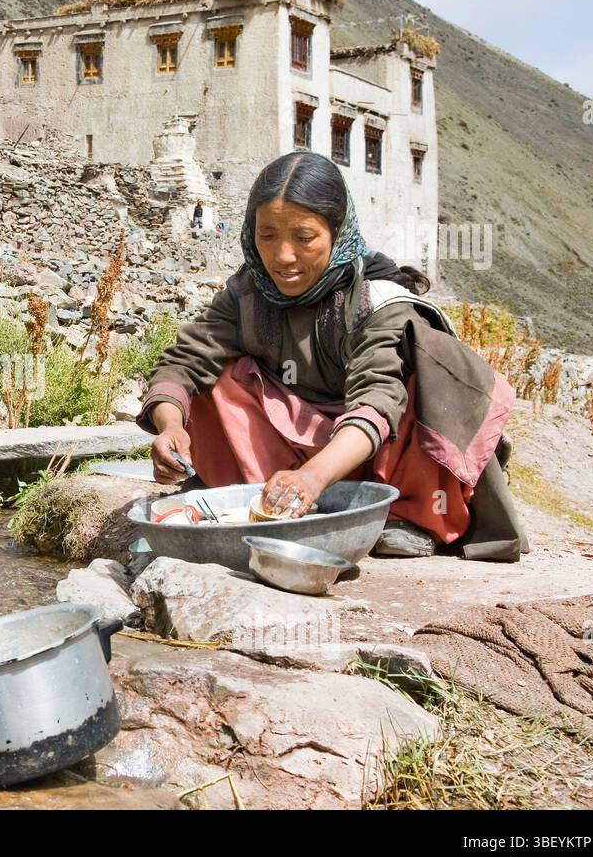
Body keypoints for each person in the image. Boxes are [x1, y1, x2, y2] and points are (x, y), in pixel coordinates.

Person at [137, 152, 528, 561]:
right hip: (294, 456)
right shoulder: (246, 294)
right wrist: (169, 426)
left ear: (337, 231)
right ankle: (255, 488)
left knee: (425, 372)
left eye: (304, 238)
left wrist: (314, 476)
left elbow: (376, 400)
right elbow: (184, 360)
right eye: (267, 235)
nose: (283, 256)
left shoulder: (378, 301)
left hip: (378, 455)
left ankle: (405, 515)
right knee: (216, 378)